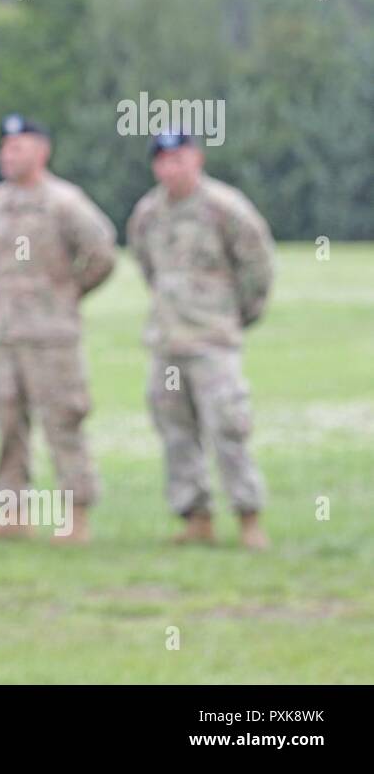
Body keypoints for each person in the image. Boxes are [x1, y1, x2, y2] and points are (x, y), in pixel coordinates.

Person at [127, 130, 274, 550]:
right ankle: (195, 516)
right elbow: (146, 264)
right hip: (168, 344)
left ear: (197, 159)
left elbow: (257, 266)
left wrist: (237, 316)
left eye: (180, 158)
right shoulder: (148, 213)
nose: (172, 167)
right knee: (174, 428)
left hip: (212, 342)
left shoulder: (224, 208)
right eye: (164, 160)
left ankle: (248, 517)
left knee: (228, 425)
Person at [0, 115, 116, 542]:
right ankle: (12, 516)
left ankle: (76, 517)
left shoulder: (65, 202)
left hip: (53, 337)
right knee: (8, 425)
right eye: (4, 146)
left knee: (63, 423)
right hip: (6, 334)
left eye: (18, 146)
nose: (7, 154)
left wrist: (66, 295)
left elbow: (101, 254)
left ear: (42, 151)